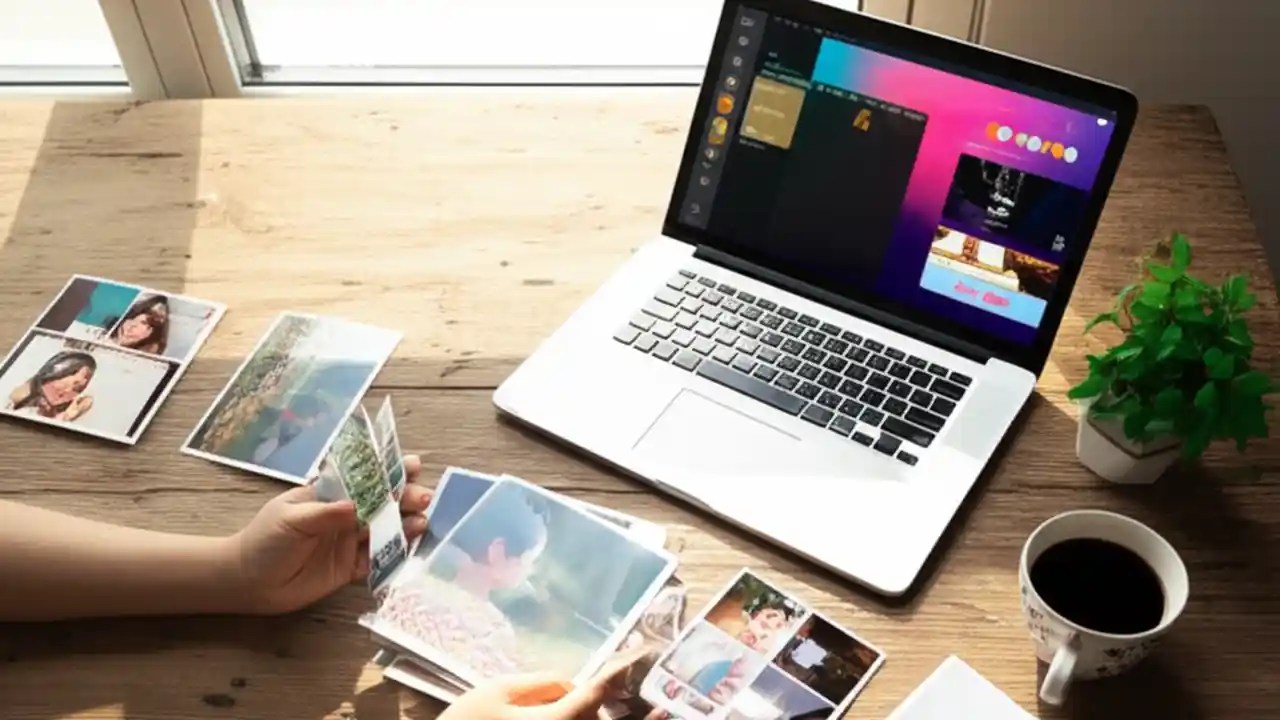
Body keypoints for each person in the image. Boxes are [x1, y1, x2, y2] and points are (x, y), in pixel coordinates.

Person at [0, 454, 616, 720]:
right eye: (531, 560)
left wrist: (237, 574)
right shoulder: (488, 626)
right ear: (501, 553)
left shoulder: (431, 597)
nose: (532, 574)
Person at [377, 485, 552, 677]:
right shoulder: (493, 629)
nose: (529, 570)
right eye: (528, 560)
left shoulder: (413, 583)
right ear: (497, 552)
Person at [6, 350, 97, 421]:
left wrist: (66, 418)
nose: (68, 391)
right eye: (66, 385)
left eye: (77, 389)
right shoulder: (15, 400)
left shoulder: (61, 415)